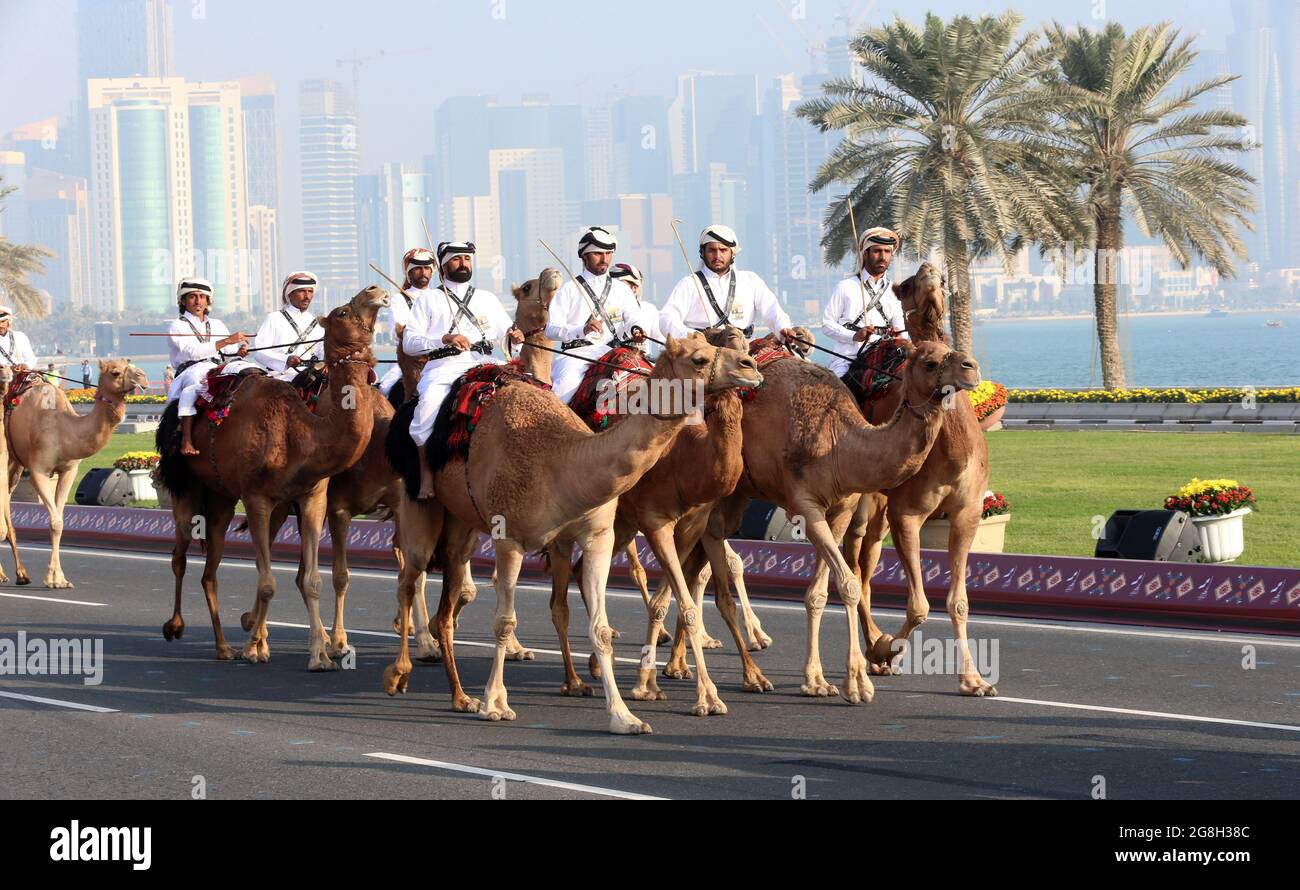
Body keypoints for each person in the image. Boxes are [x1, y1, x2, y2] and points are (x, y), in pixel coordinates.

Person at [403, 241, 523, 498]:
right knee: (425, 411)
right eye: (457, 259)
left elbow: (507, 332)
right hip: (444, 367)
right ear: (444, 266)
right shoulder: (428, 299)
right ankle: (426, 474)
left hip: (486, 363)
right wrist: (443, 339)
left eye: (467, 259)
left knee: (528, 392)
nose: (463, 264)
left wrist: (515, 335)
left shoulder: (487, 298)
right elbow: (410, 344)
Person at [545, 226, 658, 404]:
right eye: (598, 254)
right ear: (584, 256)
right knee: (565, 388)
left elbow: (634, 317)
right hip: (577, 356)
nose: (604, 259)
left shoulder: (621, 289)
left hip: (613, 352)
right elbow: (551, 330)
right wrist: (582, 329)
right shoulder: (569, 289)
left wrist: (637, 330)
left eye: (608, 253)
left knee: (656, 383)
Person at [660, 224, 796, 343]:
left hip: (746, 347)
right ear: (702, 253)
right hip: (704, 351)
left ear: (732, 254)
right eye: (712, 250)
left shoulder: (751, 280)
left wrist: (782, 328)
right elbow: (667, 318)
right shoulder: (689, 284)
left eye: (723, 250)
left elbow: (772, 310)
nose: (717, 256)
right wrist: (691, 337)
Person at [166, 277, 253, 456]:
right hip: (190, 369)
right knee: (194, 386)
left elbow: (229, 349)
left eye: (202, 297)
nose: (198, 301)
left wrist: (239, 349)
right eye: (192, 297)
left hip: (217, 367)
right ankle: (186, 439)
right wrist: (228, 340)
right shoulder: (177, 325)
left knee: (247, 371)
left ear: (208, 301)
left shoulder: (217, 324)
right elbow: (193, 352)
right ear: (183, 301)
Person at [821, 226, 909, 378]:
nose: (883, 256)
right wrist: (854, 336)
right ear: (865, 254)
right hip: (848, 358)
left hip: (884, 358)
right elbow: (827, 325)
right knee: (838, 393)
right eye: (877, 251)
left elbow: (901, 331)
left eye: (887, 252)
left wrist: (899, 337)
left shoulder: (894, 291)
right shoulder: (845, 287)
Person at [377, 247, 436, 399]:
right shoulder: (399, 300)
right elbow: (398, 332)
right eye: (417, 268)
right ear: (409, 272)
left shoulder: (440, 297)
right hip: (408, 360)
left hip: (439, 357)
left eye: (426, 268)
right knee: (384, 388)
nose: (423, 272)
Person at [253, 271, 325, 381]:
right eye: (302, 291)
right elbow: (260, 352)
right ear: (289, 294)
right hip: (281, 378)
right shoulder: (274, 318)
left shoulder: (317, 324)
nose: (307, 297)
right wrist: (286, 360)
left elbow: (322, 354)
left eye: (310, 291)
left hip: (311, 378)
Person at [0, 304, 38, 374]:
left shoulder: (20, 336)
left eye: (3, 322)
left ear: (8, 322)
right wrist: (9, 368)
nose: (0, 325)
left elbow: (32, 359)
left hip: (20, 375)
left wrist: (25, 365)